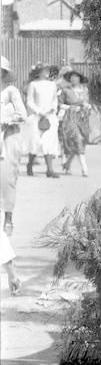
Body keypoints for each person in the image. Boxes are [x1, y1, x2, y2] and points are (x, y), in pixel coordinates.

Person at [1, 56, 27, 235]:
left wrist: (6, 120)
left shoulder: (10, 91)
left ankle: (8, 216)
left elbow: (22, 115)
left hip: (8, 137)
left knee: (6, 178)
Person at [24, 64, 61, 178]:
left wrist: (53, 108)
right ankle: (29, 164)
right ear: (38, 72)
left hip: (49, 117)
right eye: (44, 70)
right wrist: (39, 111)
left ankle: (49, 169)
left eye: (48, 70)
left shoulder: (53, 85)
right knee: (35, 142)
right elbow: (29, 101)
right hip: (37, 116)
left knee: (48, 142)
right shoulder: (33, 84)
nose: (46, 72)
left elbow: (54, 100)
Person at [57, 69, 91, 176]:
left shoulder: (85, 90)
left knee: (83, 141)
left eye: (75, 76)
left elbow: (89, 103)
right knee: (77, 139)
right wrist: (71, 107)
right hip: (70, 118)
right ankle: (84, 169)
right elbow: (60, 104)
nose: (73, 78)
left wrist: (87, 106)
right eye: (71, 77)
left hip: (84, 118)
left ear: (80, 78)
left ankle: (67, 164)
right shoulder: (65, 90)